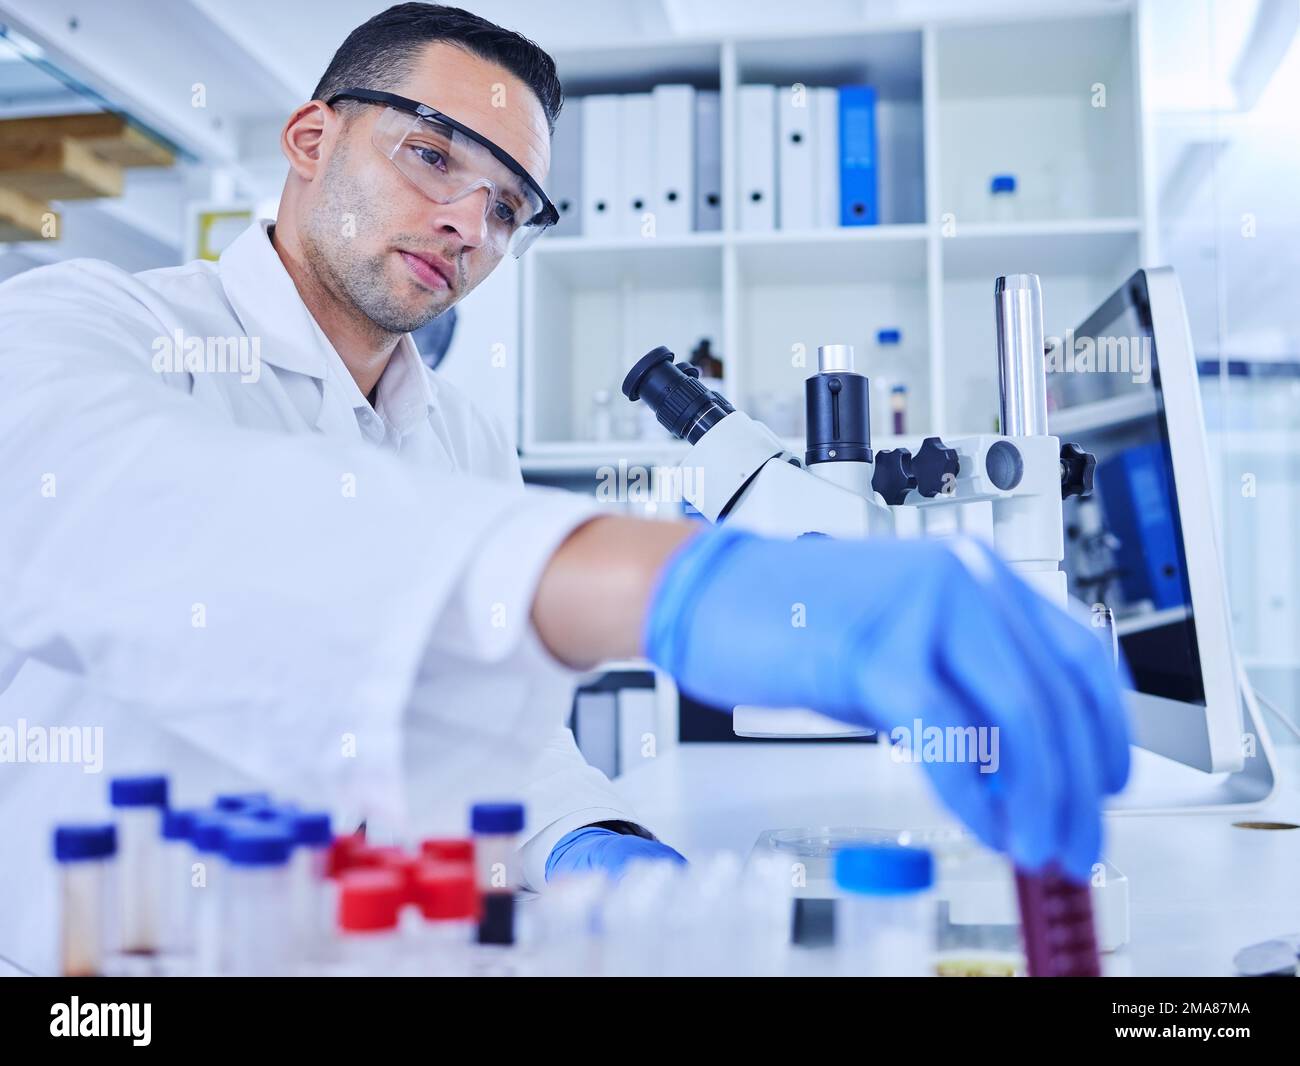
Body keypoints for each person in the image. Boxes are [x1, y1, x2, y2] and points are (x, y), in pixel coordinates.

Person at [0, 3, 1129, 974]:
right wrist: (669, 580)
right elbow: (163, 515)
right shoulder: (87, 326)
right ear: (309, 137)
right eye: (432, 157)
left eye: (507, 207)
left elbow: (505, 747)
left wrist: (596, 843)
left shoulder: (465, 437)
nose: (468, 227)